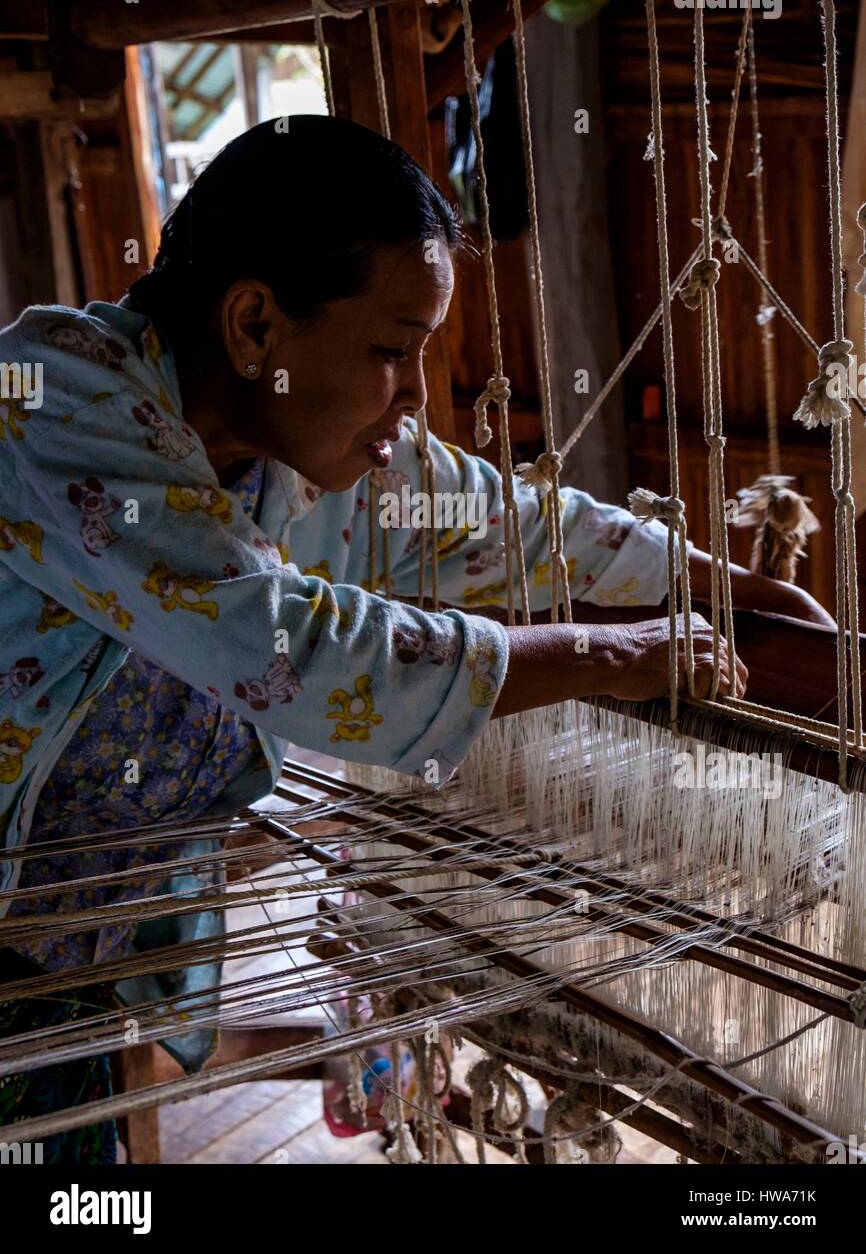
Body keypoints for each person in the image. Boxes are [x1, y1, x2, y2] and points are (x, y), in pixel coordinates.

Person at [0, 116, 830, 1161]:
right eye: (392, 351)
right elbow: (286, 648)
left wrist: (719, 582)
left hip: (60, 982)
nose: (413, 396)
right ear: (254, 326)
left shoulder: (288, 458)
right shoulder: (53, 401)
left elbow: (508, 523)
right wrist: (610, 656)